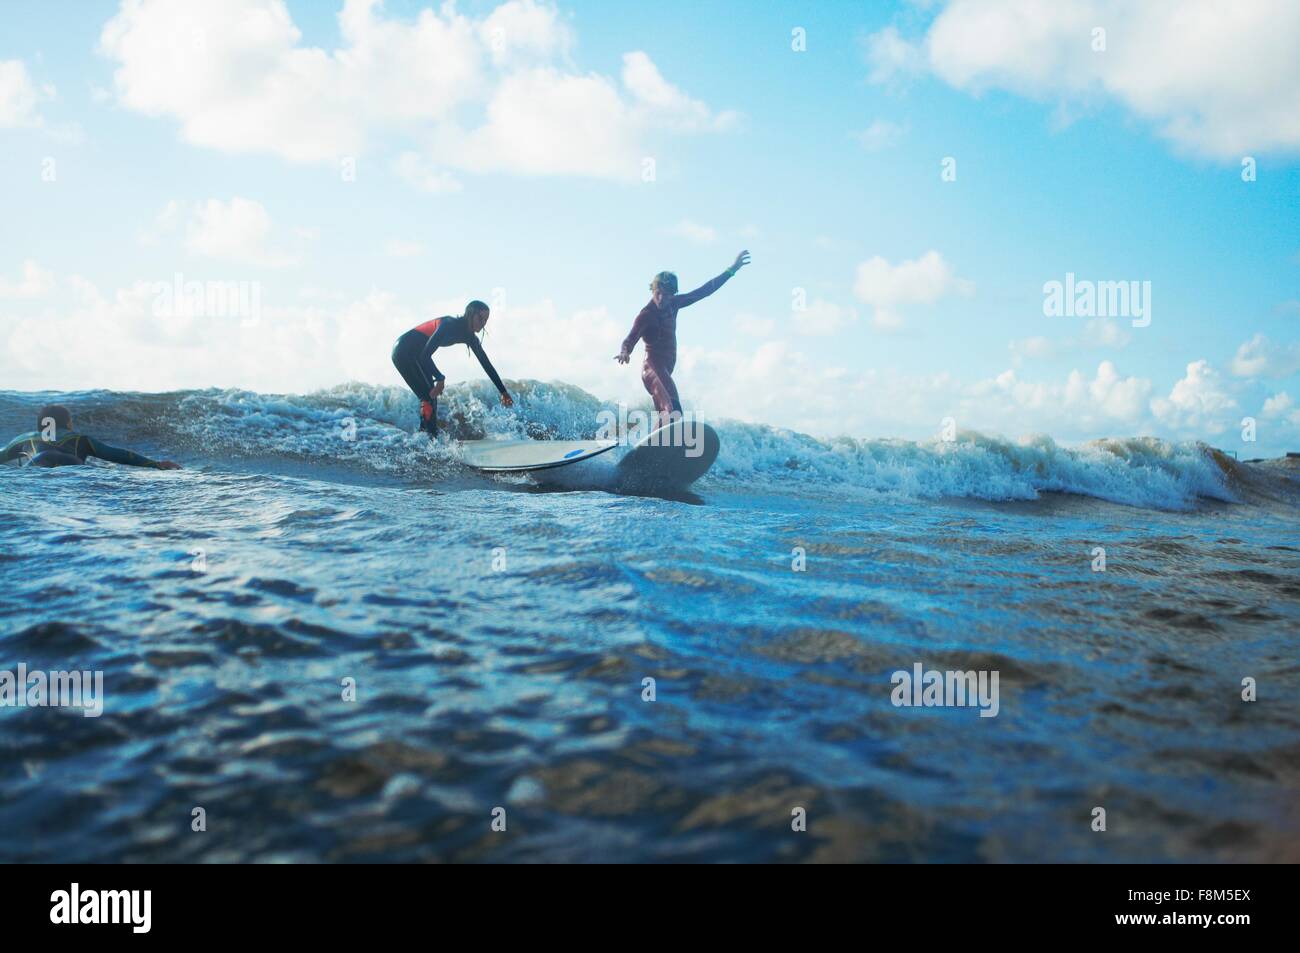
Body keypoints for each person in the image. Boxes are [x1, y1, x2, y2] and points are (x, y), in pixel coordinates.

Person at [616, 250, 750, 424]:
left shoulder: (674, 304)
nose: (661, 298)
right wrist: (624, 352)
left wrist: (732, 270)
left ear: (673, 294)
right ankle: (660, 438)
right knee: (673, 410)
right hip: (652, 370)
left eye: (666, 294)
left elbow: (704, 291)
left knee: (669, 416)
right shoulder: (647, 315)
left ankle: (656, 441)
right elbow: (630, 339)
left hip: (666, 370)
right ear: (653, 290)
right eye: (658, 292)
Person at [391, 300, 514, 438]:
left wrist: (503, 392)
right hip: (403, 351)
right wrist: (440, 378)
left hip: (417, 356)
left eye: (486, 320)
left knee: (431, 397)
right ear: (470, 314)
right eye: (480, 318)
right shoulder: (448, 324)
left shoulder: (470, 338)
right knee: (428, 397)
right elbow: (425, 355)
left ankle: (428, 439)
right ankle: (424, 440)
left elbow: (486, 364)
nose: (483, 323)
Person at [1, 405, 182, 469]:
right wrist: (154, 464)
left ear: (40, 425)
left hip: (39, 461)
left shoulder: (25, 439)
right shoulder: (81, 438)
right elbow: (116, 454)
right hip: (71, 463)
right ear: (68, 424)